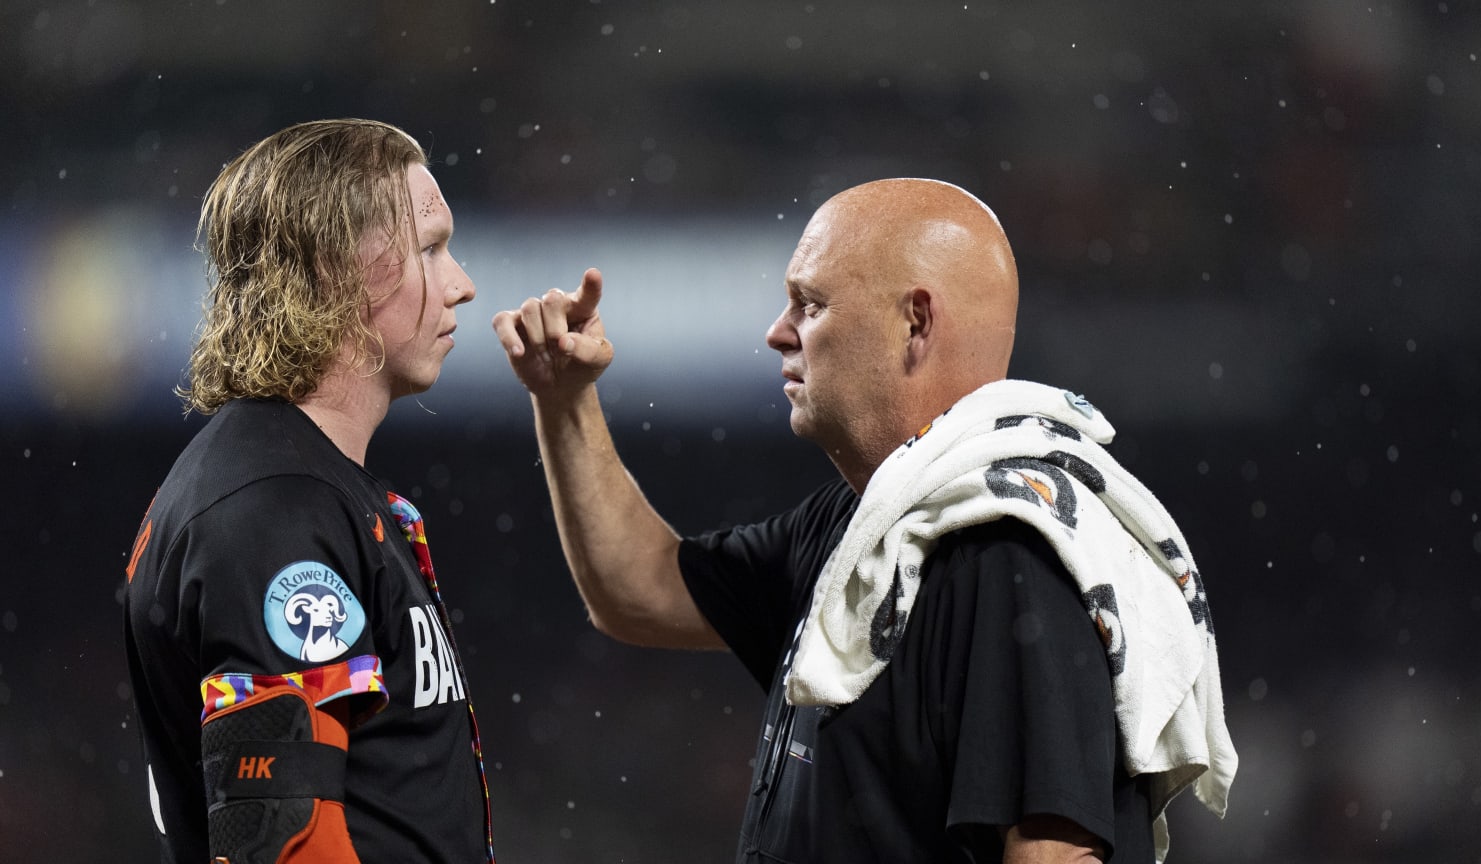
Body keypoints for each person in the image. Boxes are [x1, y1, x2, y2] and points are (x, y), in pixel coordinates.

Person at [494, 178, 1236, 863]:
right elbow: (640, 591)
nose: (778, 333)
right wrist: (566, 401)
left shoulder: (1006, 550)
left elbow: (1054, 854)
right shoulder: (874, 520)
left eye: (810, 305)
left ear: (915, 321)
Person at [122, 119, 494, 863]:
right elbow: (282, 841)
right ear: (336, 268)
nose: (461, 283)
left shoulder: (302, 484)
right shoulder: (271, 506)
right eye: (430, 248)